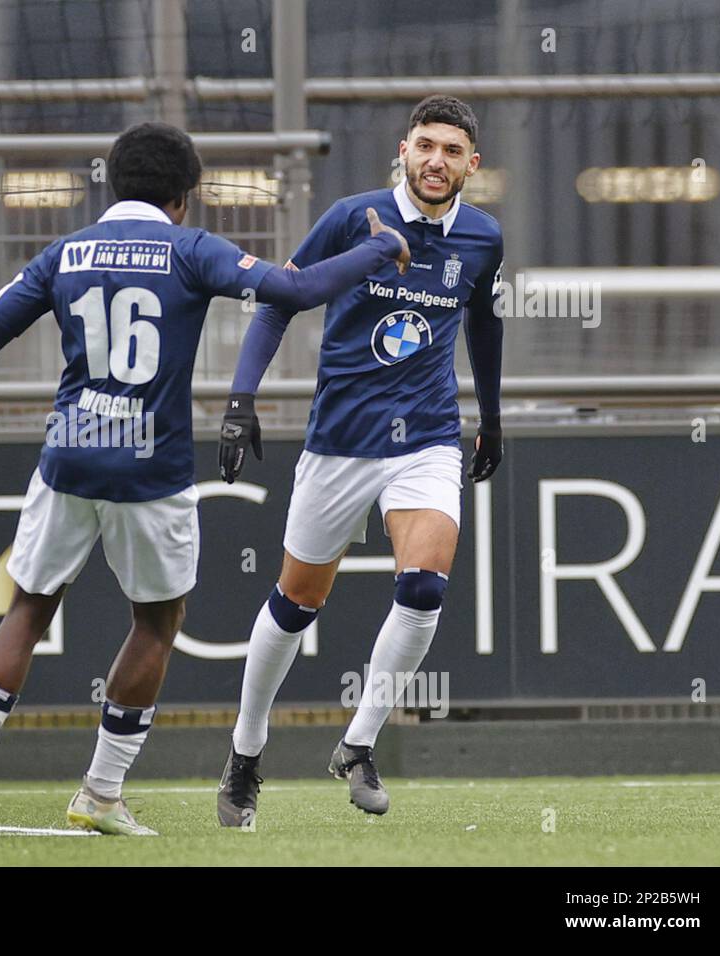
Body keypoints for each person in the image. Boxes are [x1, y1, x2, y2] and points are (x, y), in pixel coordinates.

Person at [0, 121, 411, 836]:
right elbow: (295, 289)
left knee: (28, 609)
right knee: (158, 622)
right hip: (152, 468)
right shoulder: (191, 249)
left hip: (68, 457)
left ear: (113, 185)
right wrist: (380, 247)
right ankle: (100, 792)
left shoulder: (65, 252)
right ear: (184, 199)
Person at [216, 94, 504, 822]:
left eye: (451, 149)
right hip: (340, 439)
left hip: (428, 438)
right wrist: (241, 398)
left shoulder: (482, 237)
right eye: (424, 145)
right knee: (297, 601)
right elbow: (279, 299)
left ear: (474, 164)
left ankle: (359, 742)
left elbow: (484, 322)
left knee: (426, 586)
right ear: (402, 153)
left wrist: (492, 418)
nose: (436, 159)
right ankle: (246, 753)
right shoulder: (353, 217)